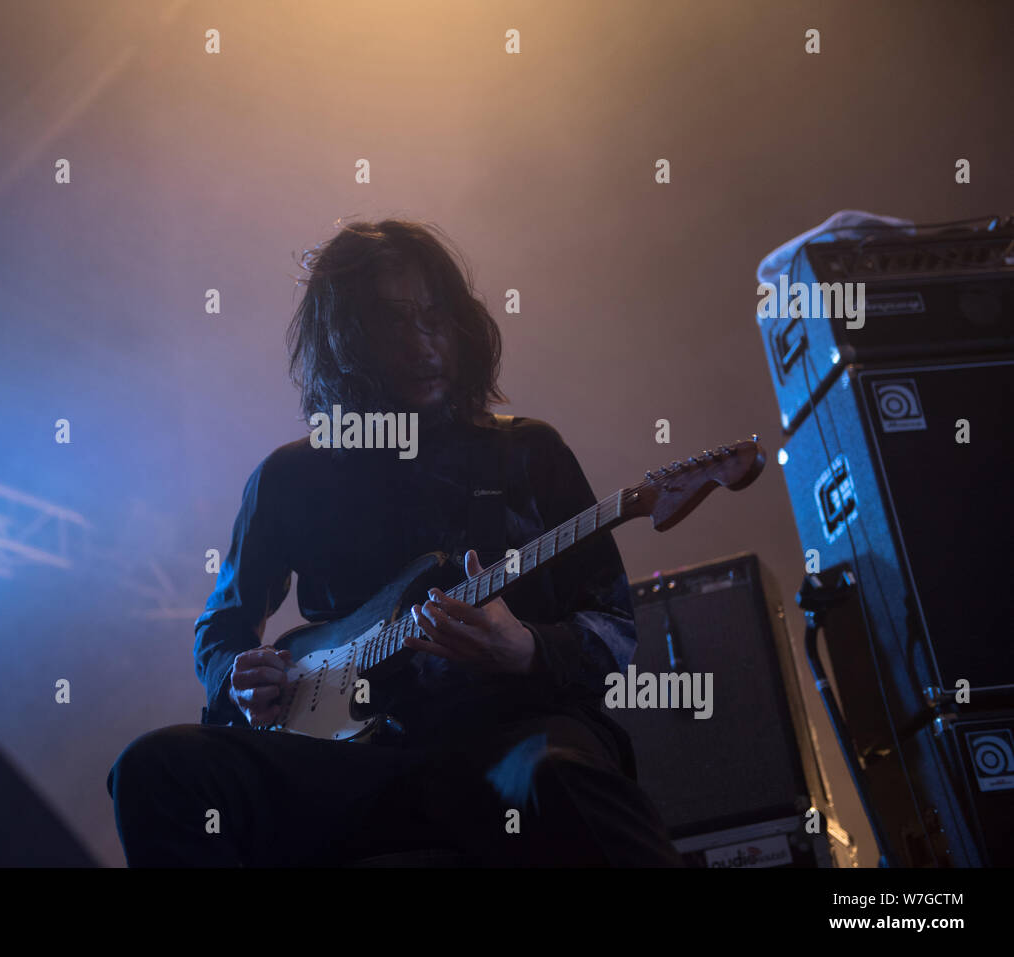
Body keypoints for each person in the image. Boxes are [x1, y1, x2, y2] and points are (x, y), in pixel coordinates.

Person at [107, 219, 683, 867]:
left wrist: (526, 648)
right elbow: (223, 625)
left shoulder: (526, 453)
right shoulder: (289, 476)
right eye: (392, 321)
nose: (423, 343)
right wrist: (237, 677)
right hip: (351, 760)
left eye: (435, 316)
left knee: (567, 782)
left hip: (509, 740)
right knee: (160, 767)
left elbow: (614, 628)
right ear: (343, 339)